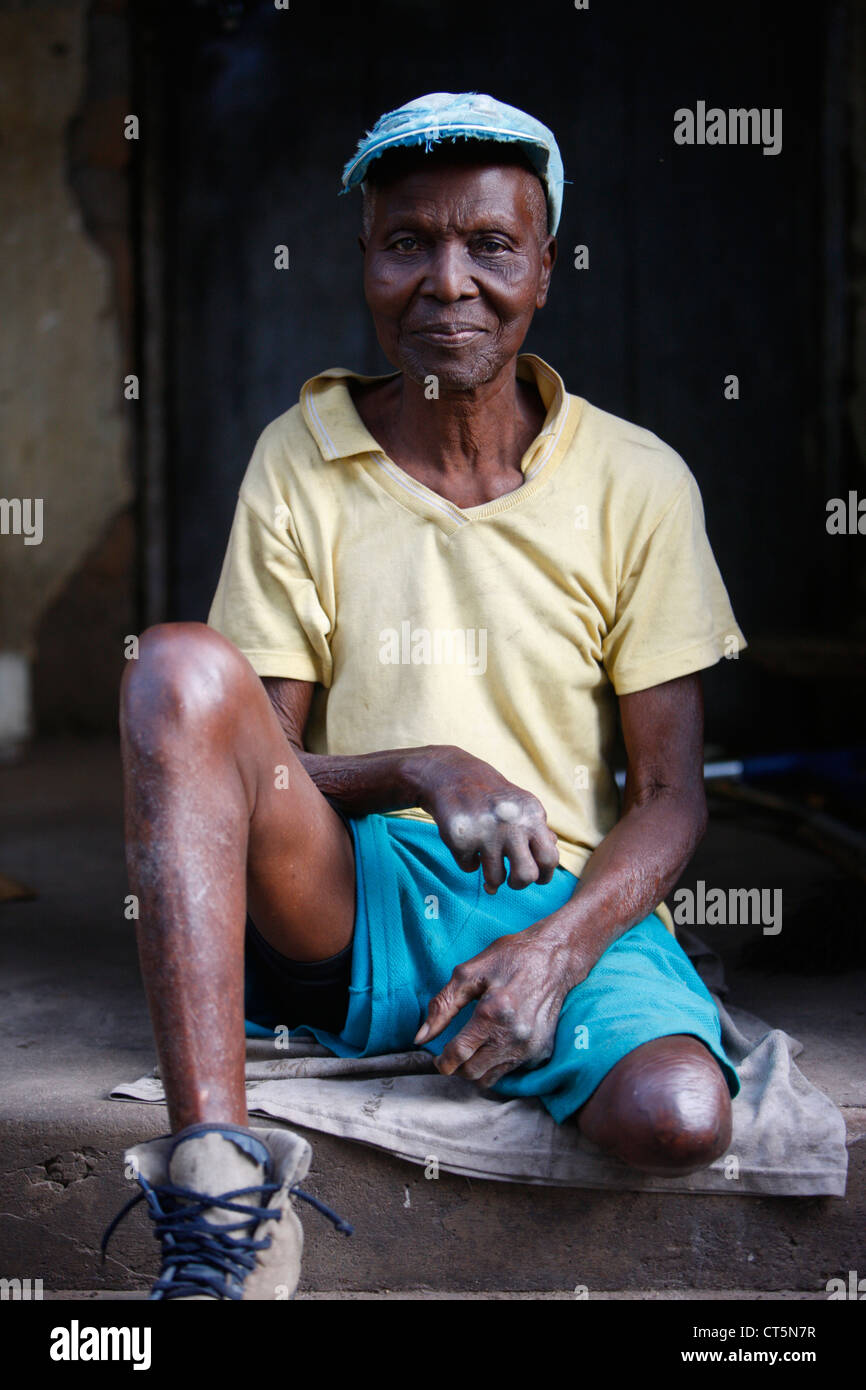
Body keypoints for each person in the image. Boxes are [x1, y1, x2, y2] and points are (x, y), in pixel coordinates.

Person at [107, 92, 746, 1300]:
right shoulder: (302, 458)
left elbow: (668, 796)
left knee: (676, 1112)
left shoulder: (636, 481)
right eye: (408, 243)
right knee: (181, 667)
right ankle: (220, 1190)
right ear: (365, 262)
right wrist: (418, 765)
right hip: (353, 894)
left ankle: (528, 1000)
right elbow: (255, 763)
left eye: (489, 246)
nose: (446, 282)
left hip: (556, 893)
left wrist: (555, 952)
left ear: (545, 271)